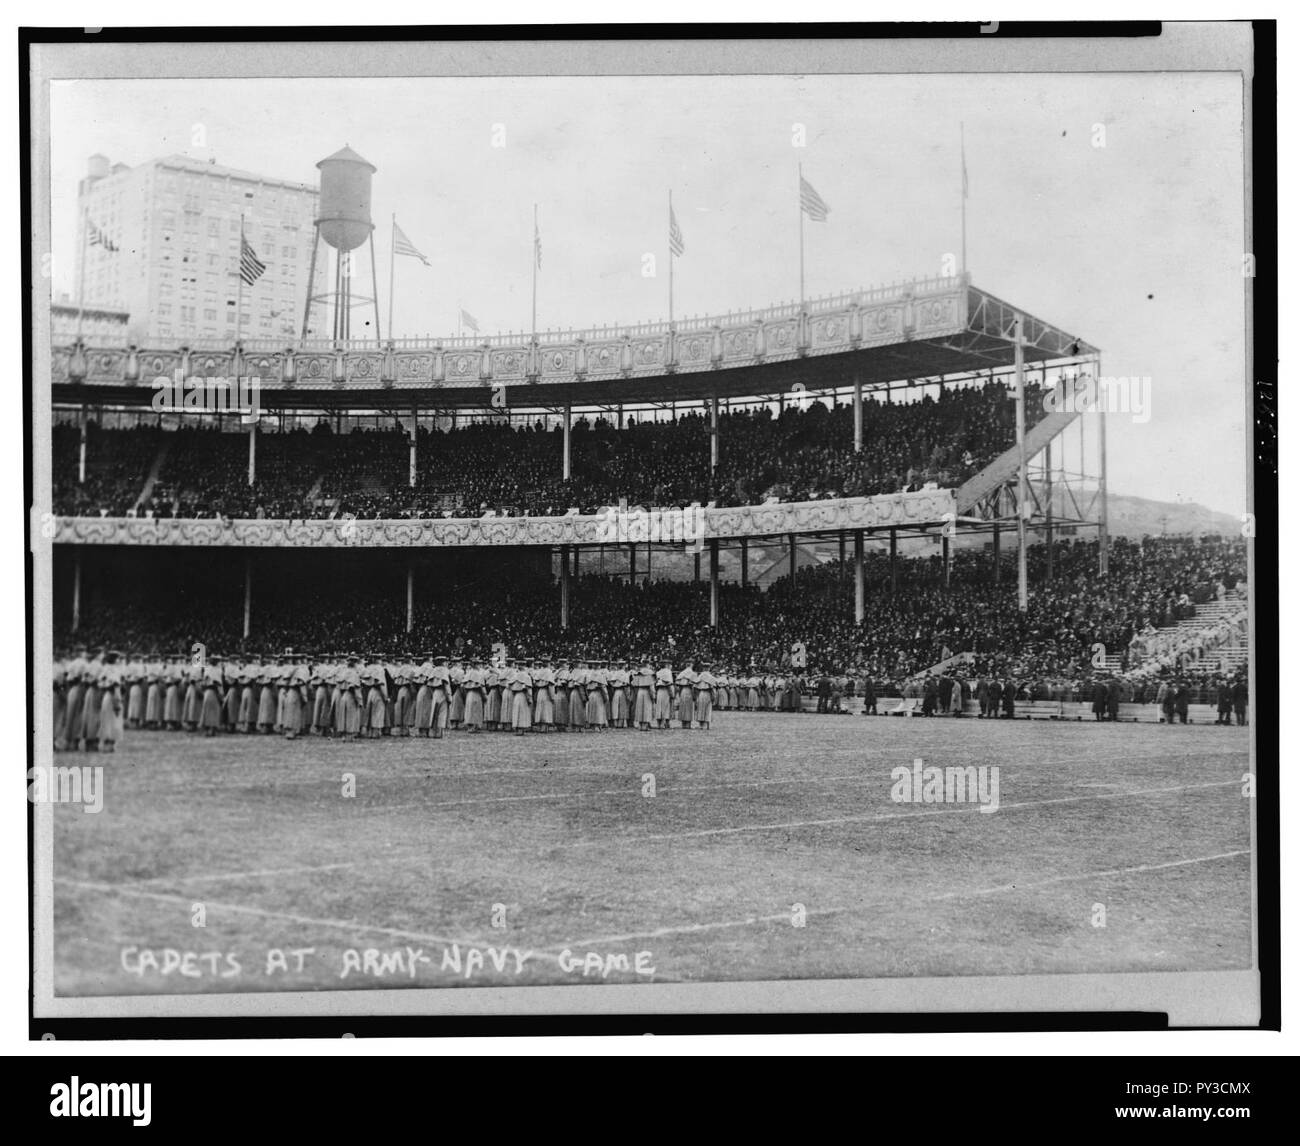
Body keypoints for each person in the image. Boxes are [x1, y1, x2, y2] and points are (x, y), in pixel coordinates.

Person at [693, 660, 716, 731]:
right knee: (708, 708)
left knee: (701, 708)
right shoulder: (711, 677)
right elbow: (712, 688)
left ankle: (701, 725)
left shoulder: (700, 676)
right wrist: (713, 697)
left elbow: (695, 686)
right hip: (708, 693)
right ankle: (707, 725)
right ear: (709, 668)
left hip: (701, 693)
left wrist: (695, 695)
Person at [654, 660, 675, 729]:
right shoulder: (668, 672)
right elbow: (669, 683)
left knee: (659, 706)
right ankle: (666, 723)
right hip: (666, 690)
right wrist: (672, 694)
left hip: (659, 690)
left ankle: (659, 723)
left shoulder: (658, 672)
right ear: (667, 665)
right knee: (666, 706)